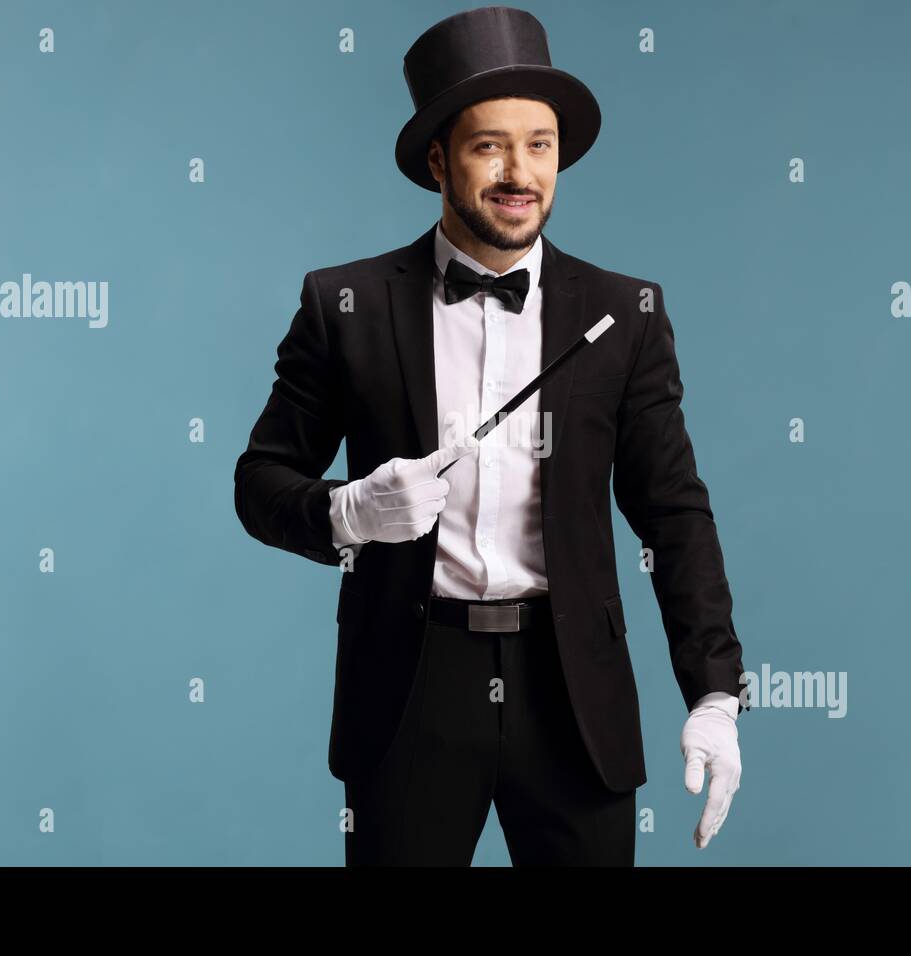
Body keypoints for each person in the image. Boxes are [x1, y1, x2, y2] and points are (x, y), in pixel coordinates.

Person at [234, 6, 746, 866]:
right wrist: (350, 512)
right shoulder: (346, 306)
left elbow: (673, 515)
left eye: (540, 145)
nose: (520, 173)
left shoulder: (625, 314)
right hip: (410, 686)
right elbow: (260, 482)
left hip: (573, 689)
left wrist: (716, 695)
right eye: (489, 146)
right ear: (437, 159)